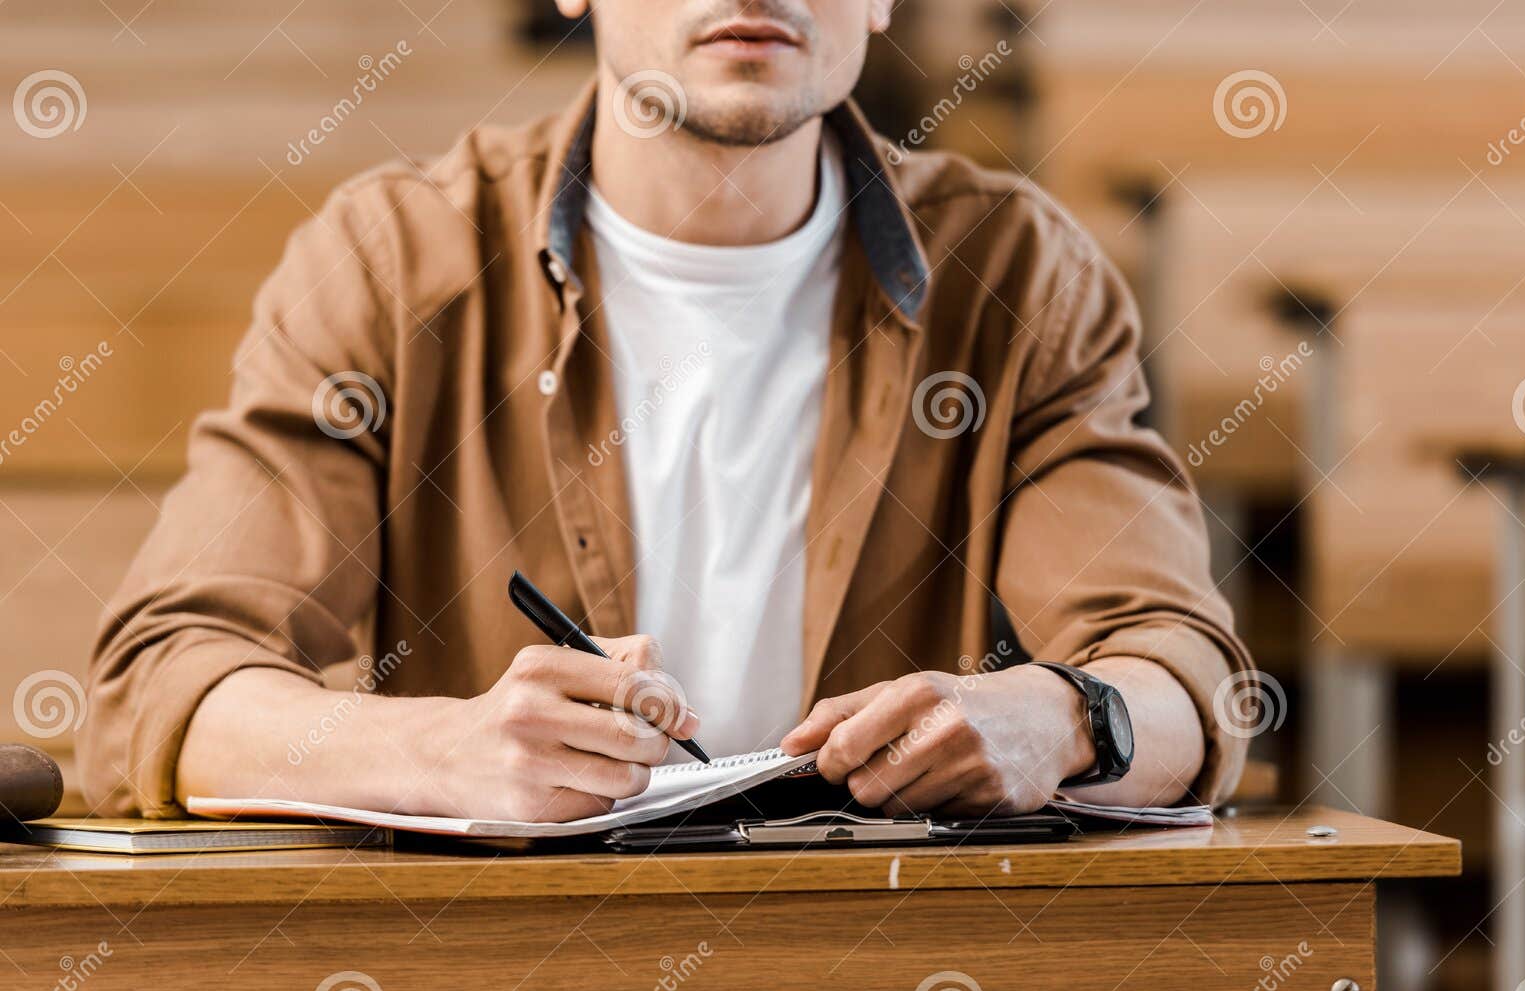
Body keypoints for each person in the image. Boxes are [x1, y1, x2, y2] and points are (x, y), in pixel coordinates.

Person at [81, 0, 1252, 823]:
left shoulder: (1017, 275)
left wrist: (1060, 718)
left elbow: (1185, 683)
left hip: (890, 986)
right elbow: (167, 683)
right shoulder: (392, 261)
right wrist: (438, 751)